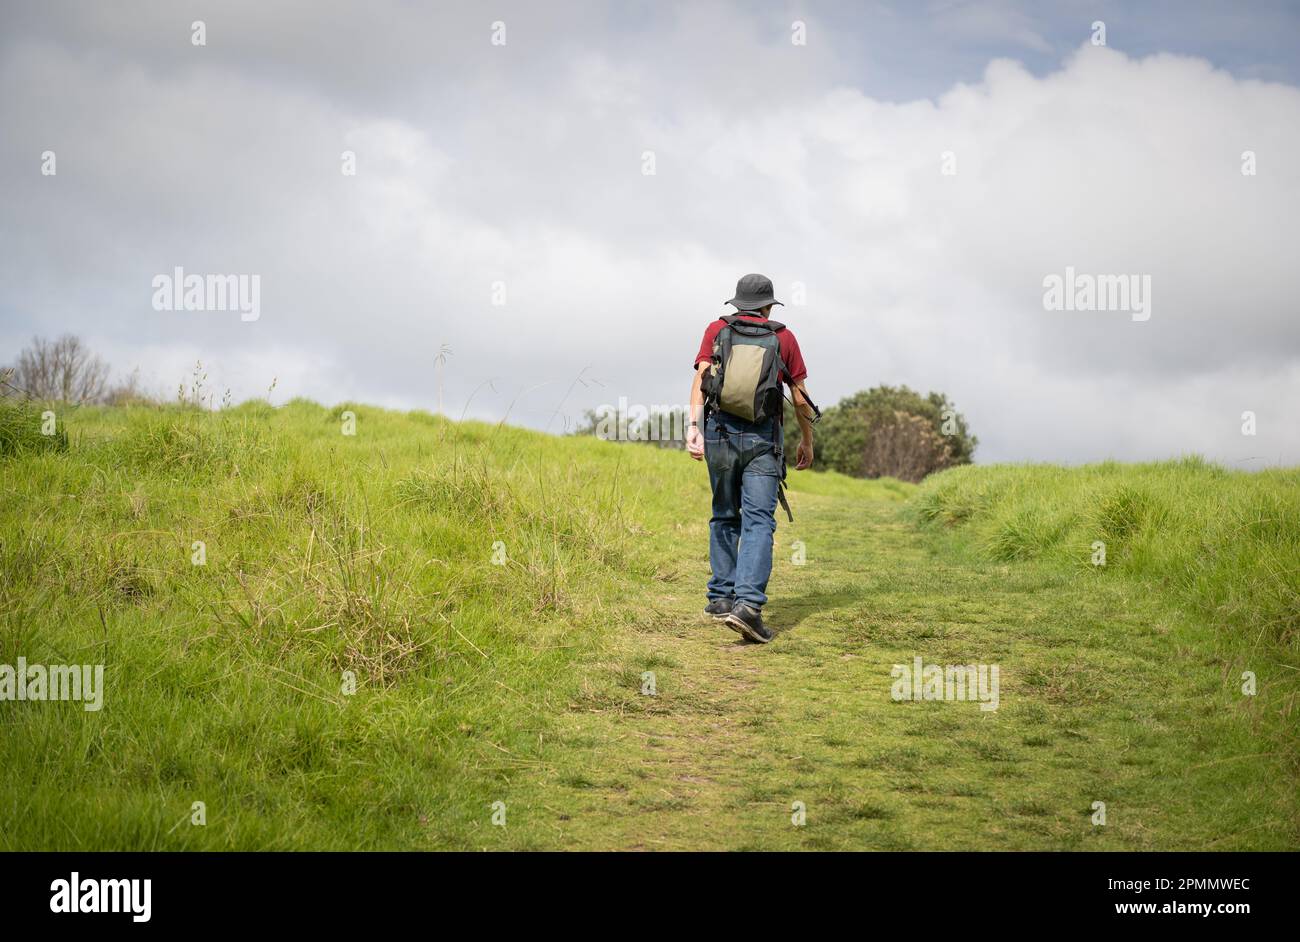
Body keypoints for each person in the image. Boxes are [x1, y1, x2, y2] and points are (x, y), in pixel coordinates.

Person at [686, 273, 817, 643]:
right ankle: (747, 606)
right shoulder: (783, 337)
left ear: (737, 303)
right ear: (769, 305)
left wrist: (693, 427)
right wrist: (806, 439)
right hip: (762, 439)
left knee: (724, 513)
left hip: (720, 434)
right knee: (759, 522)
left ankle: (720, 598)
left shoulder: (716, 329)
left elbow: (701, 379)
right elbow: (801, 398)